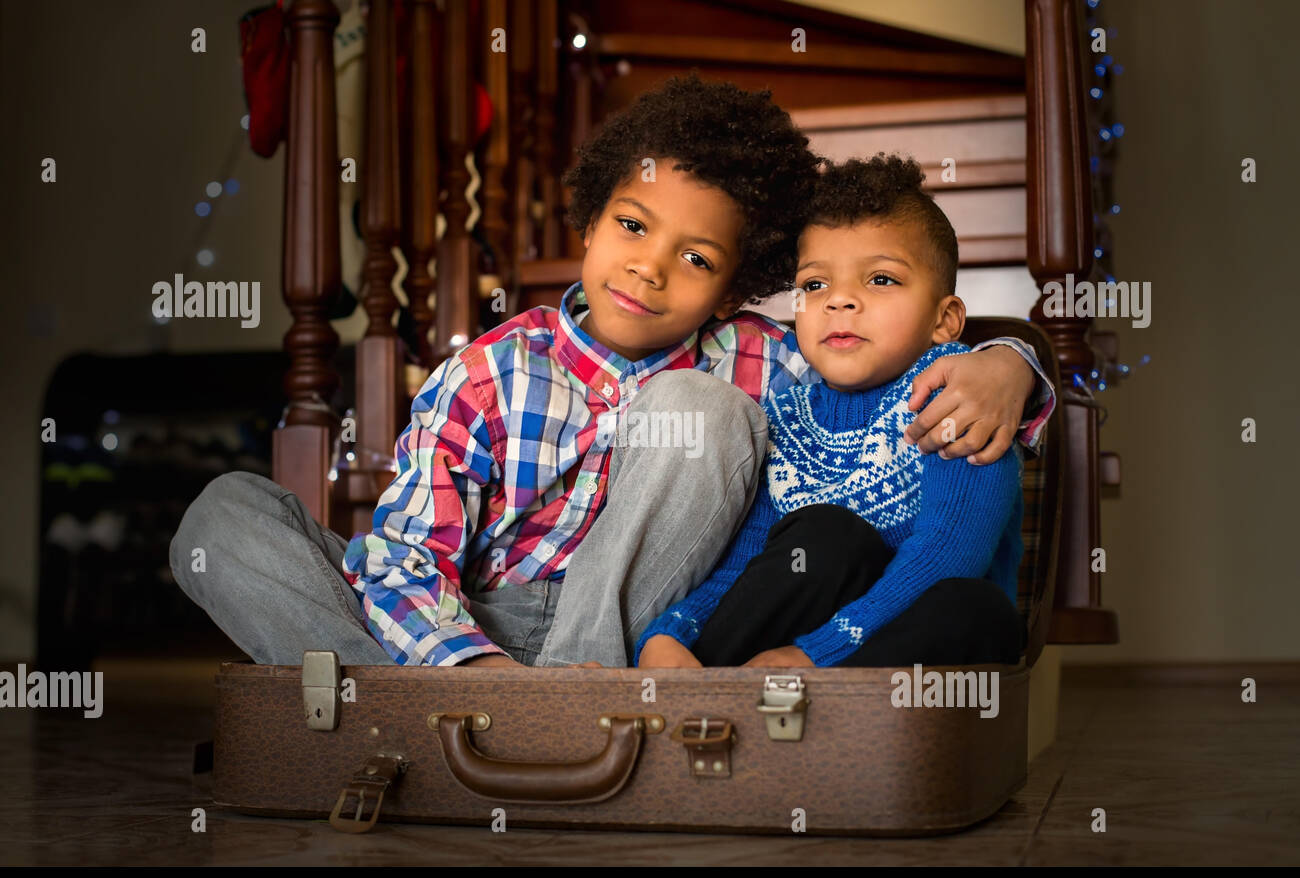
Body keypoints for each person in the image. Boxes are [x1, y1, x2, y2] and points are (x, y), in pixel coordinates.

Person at [170, 76, 1053, 671]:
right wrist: (466, 664)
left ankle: (560, 710)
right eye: (632, 227)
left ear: (735, 286)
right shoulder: (487, 372)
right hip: (461, 623)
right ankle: (414, 714)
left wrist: (1008, 364)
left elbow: (881, 353)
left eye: (696, 257)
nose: (650, 269)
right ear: (588, 222)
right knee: (226, 517)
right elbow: (404, 559)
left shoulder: (755, 359)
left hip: (618, 639)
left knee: (700, 409)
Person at [635, 154, 1030, 669]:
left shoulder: (960, 392)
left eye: (881, 280)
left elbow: (947, 553)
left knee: (976, 609)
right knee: (824, 537)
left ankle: (801, 703)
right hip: (781, 655)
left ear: (945, 319)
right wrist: (674, 632)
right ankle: (714, 701)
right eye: (815, 285)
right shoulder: (787, 414)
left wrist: (813, 655)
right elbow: (749, 563)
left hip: (898, 651)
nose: (840, 301)